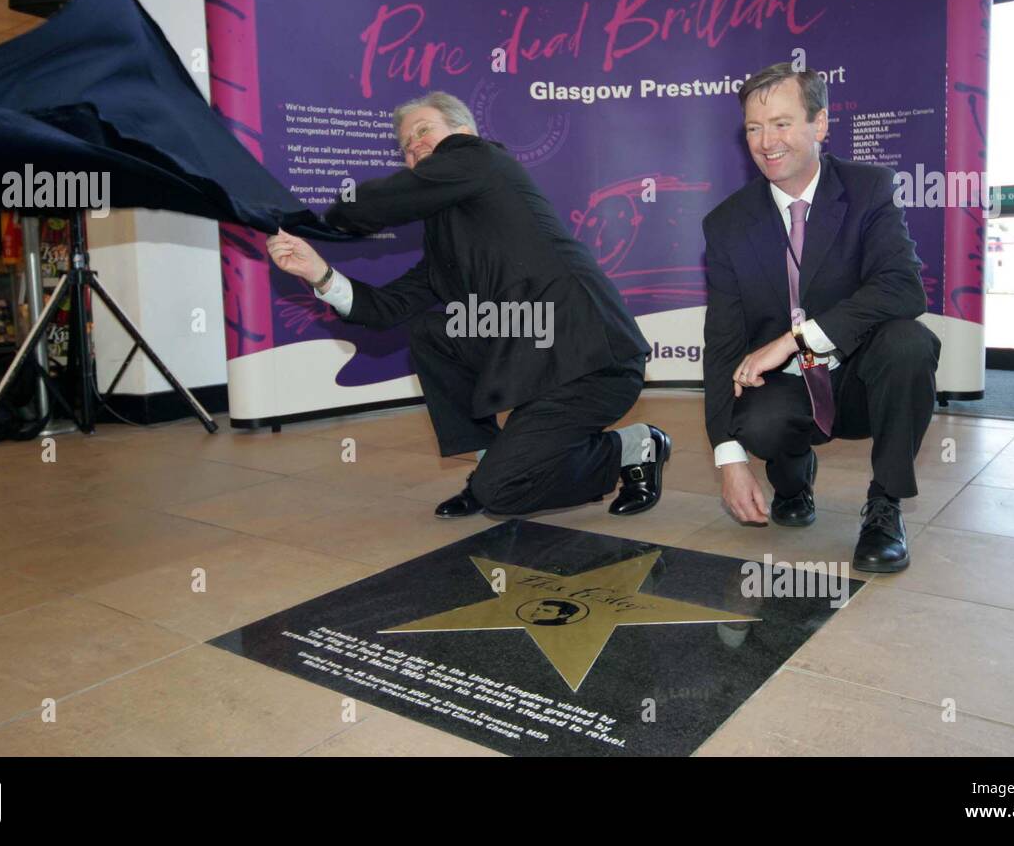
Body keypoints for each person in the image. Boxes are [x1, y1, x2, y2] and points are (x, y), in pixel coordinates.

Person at [268, 91, 670, 520]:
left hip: (591, 363)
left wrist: (319, 222)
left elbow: (375, 202)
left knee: (504, 493)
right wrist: (319, 274)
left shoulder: (480, 157)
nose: (414, 146)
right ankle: (489, 465)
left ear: (462, 132)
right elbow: (383, 309)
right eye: (405, 146)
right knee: (430, 332)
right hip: (534, 362)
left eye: (424, 131)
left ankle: (633, 446)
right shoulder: (446, 244)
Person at [702, 63, 941, 573]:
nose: (767, 142)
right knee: (759, 421)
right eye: (753, 127)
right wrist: (729, 457)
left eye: (783, 123)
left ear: (821, 124)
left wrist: (796, 338)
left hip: (858, 379)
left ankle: (884, 507)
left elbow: (903, 287)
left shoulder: (868, 189)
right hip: (788, 390)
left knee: (909, 344)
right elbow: (723, 344)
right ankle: (792, 476)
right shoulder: (726, 224)